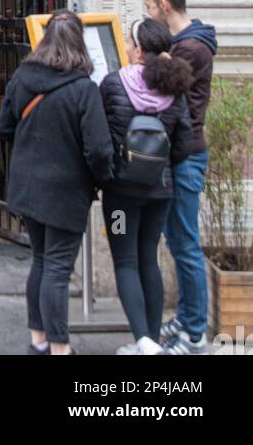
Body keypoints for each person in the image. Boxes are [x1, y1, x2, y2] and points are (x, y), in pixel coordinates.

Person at [0, 10, 115, 356]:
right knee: (59, 268)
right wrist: (101, 179)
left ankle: (39, 341)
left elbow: (3, 128)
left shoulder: (22, 78)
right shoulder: (83, 90)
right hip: (66, 192)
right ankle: (61, 348)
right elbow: (99, 150)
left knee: (41, 261)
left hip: (28, 189)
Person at [100, 18, 193, 355]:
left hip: (121, 191)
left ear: (138, 49)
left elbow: (101, 136)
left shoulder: (112, 84)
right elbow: (184, 144)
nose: (125, 45)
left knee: (125, 261)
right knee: (148, 259)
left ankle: (143, 341)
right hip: (160, 190)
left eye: (129, 40)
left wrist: (107, 171)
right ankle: (151, 341)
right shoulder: (174, 89)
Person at [143, 0, 217, 354]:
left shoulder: (192, 49)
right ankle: (187, 318)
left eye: (149, 8)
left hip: (186, 155)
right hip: (177, 155)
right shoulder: (181, 46)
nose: (148, 14)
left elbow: (159, 85)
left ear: (165, 6)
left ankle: (194, 332)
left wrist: (147, 60)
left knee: (186, 243)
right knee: (177, 239)